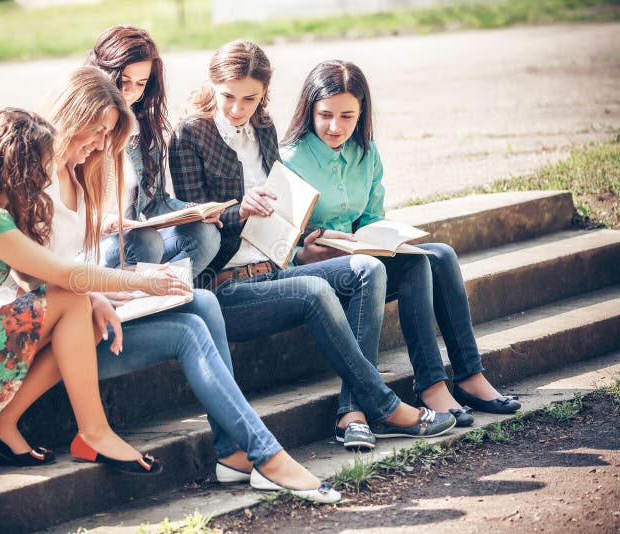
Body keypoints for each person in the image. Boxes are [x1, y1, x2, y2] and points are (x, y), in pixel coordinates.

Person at [1, 65, 338, 502]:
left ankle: (235, 451)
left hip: (85, 310)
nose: (100, 146)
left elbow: (70, 267)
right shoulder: (37, 175)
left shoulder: (80, 174)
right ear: (70, 116)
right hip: (46, 327)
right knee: (188, 329)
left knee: (202, 302)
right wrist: (129, 284)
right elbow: (33, 273)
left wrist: (120, 288)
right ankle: (266, 456)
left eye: (107, 136)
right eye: (95, 133)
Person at [169, 40, 456, 453]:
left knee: (367, 268)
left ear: (264, 94)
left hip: (273, 268)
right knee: (317, 289)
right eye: (228, 96)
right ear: (212, 85)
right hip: (225, 285)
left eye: (250, 98)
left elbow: (283, 206)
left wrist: (306, 240)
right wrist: (238, 211)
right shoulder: (190, 134)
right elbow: (193, 225)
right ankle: (385, 406)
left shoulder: (264, 129)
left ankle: (351, 411)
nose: (237, 108)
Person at [0, 107, 188, 475]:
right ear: (23, 169)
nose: (48, 175)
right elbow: (66, 274)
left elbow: (36, 279)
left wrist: (94, 298)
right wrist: (140, 281)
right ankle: (94, 431)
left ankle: (3, 423)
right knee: (74, 298)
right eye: (44, 166)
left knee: (86, 314)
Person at [280, 60, 521, 435]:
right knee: (415, 267)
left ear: (361, 114)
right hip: (319, 271)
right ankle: (431, 384)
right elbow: (279, 242)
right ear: (310, 109)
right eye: (325, 115)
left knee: (439, 255)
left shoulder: (366, 153)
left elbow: (371, 219)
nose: (335, 127)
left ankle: (467, 377)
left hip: (362, 262)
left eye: (347, 116)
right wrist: (301, 253)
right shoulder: (290, 159)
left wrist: (383, 238)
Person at [85, 25, 221, 274]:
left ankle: (169, 298)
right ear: (102, 72)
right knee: (146, 239)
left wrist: (194, 210)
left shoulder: (144, 131)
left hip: (134, 240)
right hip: (92, 244)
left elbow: (156, 202)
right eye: (123, 81)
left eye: (140, 83)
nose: (130, 93)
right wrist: (103, 221)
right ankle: (144, 297)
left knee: (206, 234)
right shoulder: (84, 131)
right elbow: (63, 212)